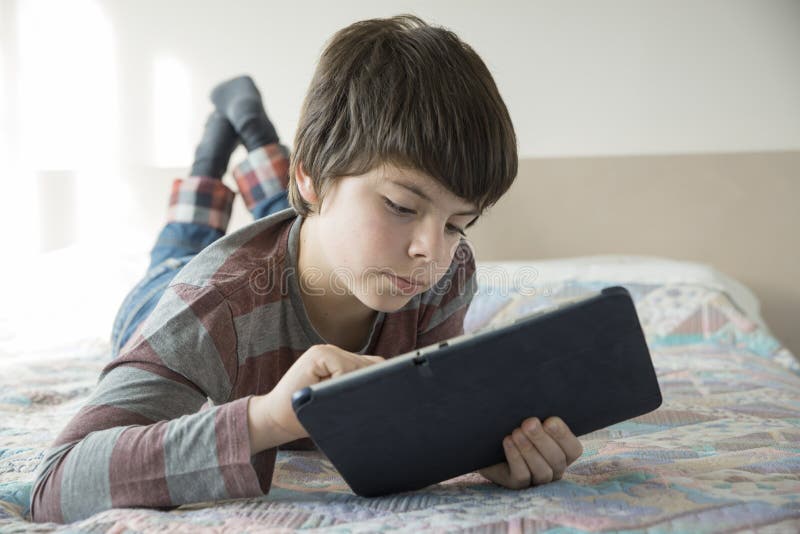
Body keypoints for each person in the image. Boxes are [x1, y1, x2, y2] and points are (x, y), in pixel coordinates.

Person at [30, 15, 583, 523]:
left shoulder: (444, 270)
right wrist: (270, 418)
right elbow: (54, 483)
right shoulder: (210, 305)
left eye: (459, 223)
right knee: (178, 247)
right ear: (311, 174)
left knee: (303, 223)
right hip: (163, 292)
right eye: (401, 206)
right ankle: (219, 145)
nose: (431, 252)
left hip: (302, 238)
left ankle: (254, 130)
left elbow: (425, 405)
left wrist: (483, 448)